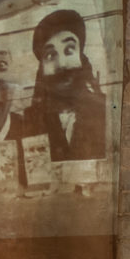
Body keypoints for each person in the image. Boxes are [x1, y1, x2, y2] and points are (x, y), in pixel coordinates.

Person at [26, 9, 107, 160]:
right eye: (50, 55)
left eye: (69, 50)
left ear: (80, 58)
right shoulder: (31, 120)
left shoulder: (105, 110)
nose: (61, 64)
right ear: (42, 69)